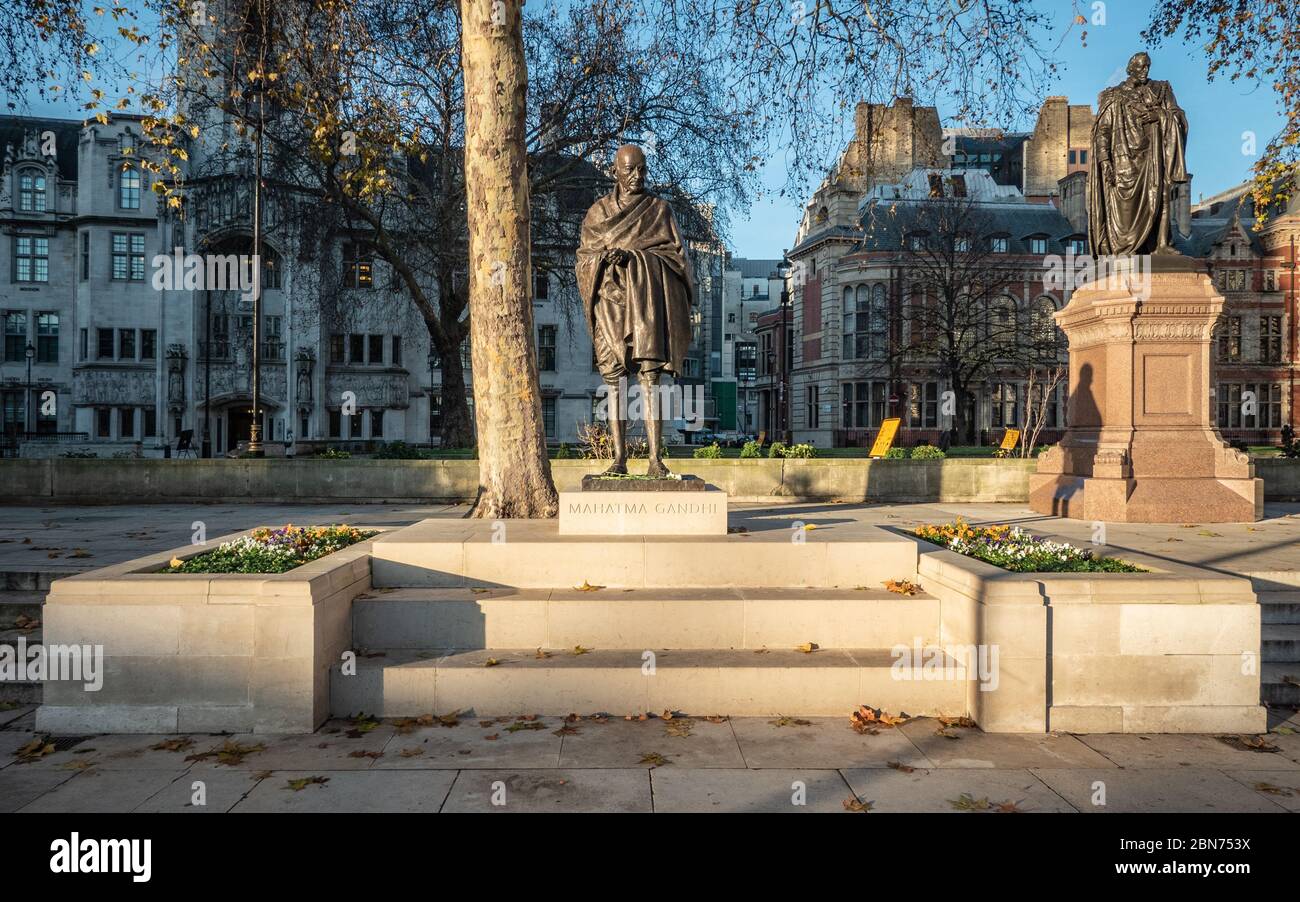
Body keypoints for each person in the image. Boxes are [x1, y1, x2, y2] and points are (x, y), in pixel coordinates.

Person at [575, 144, 695, 477]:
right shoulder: (597, 214)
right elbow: (583, 259)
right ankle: (619, 459)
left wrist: (636, 258)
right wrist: (604, 259)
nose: (637, 176)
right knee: (614, 383)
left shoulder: (659, 210)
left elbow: (679, 260)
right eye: (629, 170)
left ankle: (656, 460)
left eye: (641, 169)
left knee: (650, 381)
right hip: (611, 305)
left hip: (647, 305)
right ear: (615, 171)